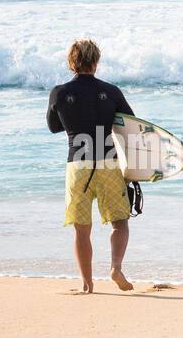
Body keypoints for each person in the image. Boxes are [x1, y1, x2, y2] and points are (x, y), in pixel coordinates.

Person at [47, 39, 135, 294]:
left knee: (82, 229)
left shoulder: (59, 93)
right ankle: (116, 268)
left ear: (71, 63)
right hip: (108, 163)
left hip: (78, 164)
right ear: (96, 63)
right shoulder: (112, 91)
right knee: (120, 222)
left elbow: (54, 127)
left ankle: (87, 283)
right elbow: (130, 126)